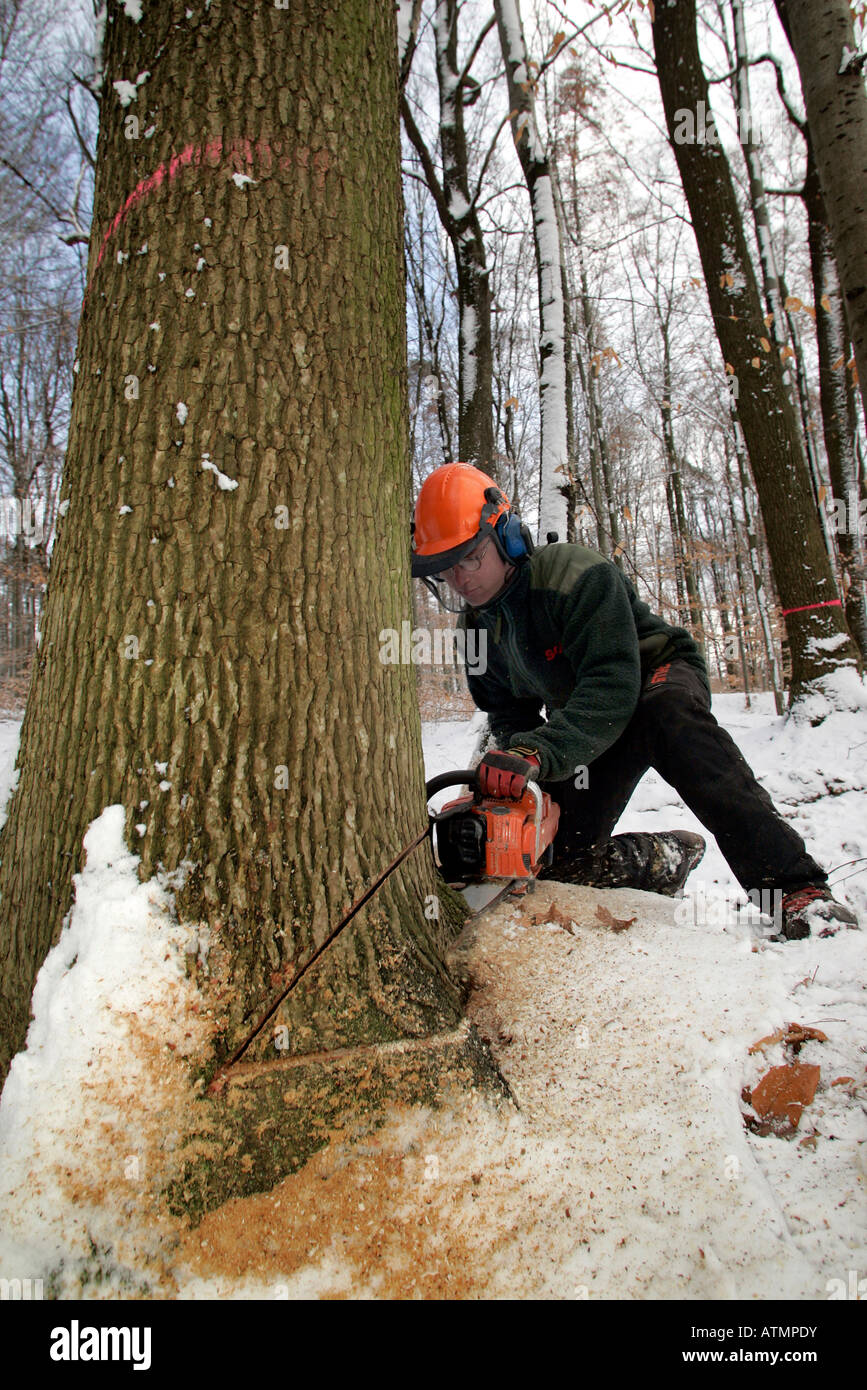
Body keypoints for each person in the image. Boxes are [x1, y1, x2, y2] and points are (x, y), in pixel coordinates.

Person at [411, 461, 859, 941]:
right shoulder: (476, 627)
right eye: (446, 569)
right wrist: (509, 775)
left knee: (667, 716)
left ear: (506, 535)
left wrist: (539, 751)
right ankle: (662, 859)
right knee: (555, 858)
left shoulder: (575, 575)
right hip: (583, 719)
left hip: (652, 677)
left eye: (471, 557)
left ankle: (794, 887)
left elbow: (611, 683)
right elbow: (507, 714)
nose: (460, 578)